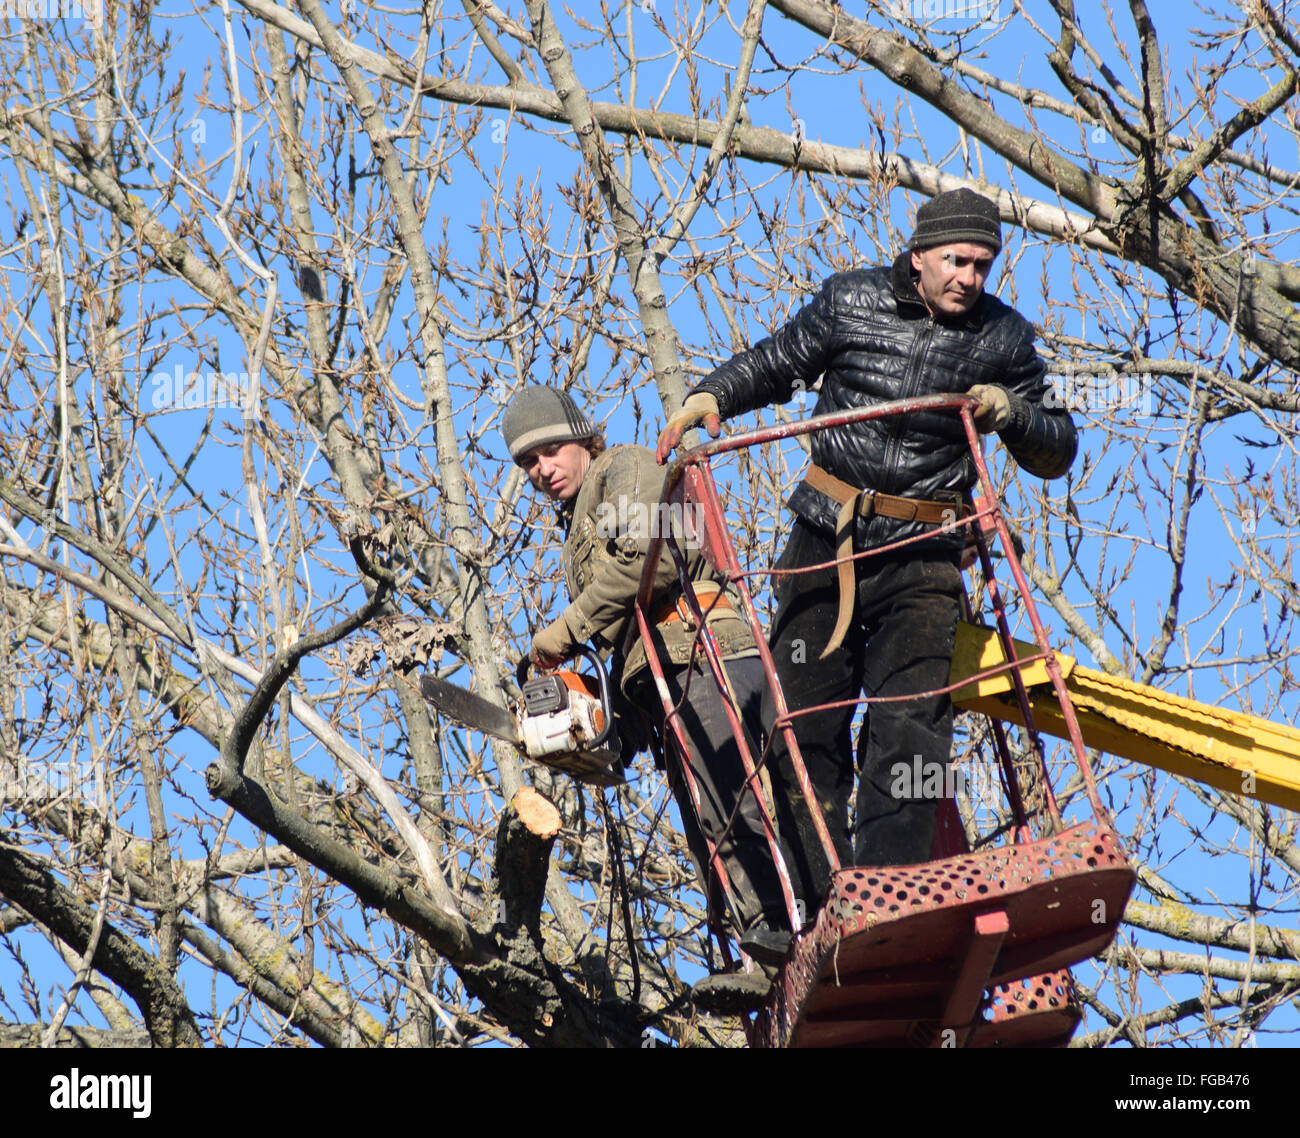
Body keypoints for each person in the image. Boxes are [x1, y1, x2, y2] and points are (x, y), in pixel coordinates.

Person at [656, 187, 1078, 912]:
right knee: (802, 728)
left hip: (925, 559)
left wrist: (1014, 412)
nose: (969, 278)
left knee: (909, 729)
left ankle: (890, 902)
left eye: (982, 265)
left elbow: (1059, 446)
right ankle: (828, 909)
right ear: (918, 256)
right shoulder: (849, 301)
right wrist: (712, 396)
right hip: (827, 541)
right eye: (957, 260)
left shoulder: (1004, 340)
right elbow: (778, 362)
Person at [502, 386, 800, 964]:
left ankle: (785, 922)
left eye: (550, 451)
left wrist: (564, 632)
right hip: (666, 675)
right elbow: (634, 639)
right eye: (528, 464)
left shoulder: (623, 467)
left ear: (583, 439)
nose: (542, 470)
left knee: (732, 794)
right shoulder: (578, 526)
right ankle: (765, 956)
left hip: (706, 650)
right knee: (706, 829)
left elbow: (652, 559)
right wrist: (600, 731)